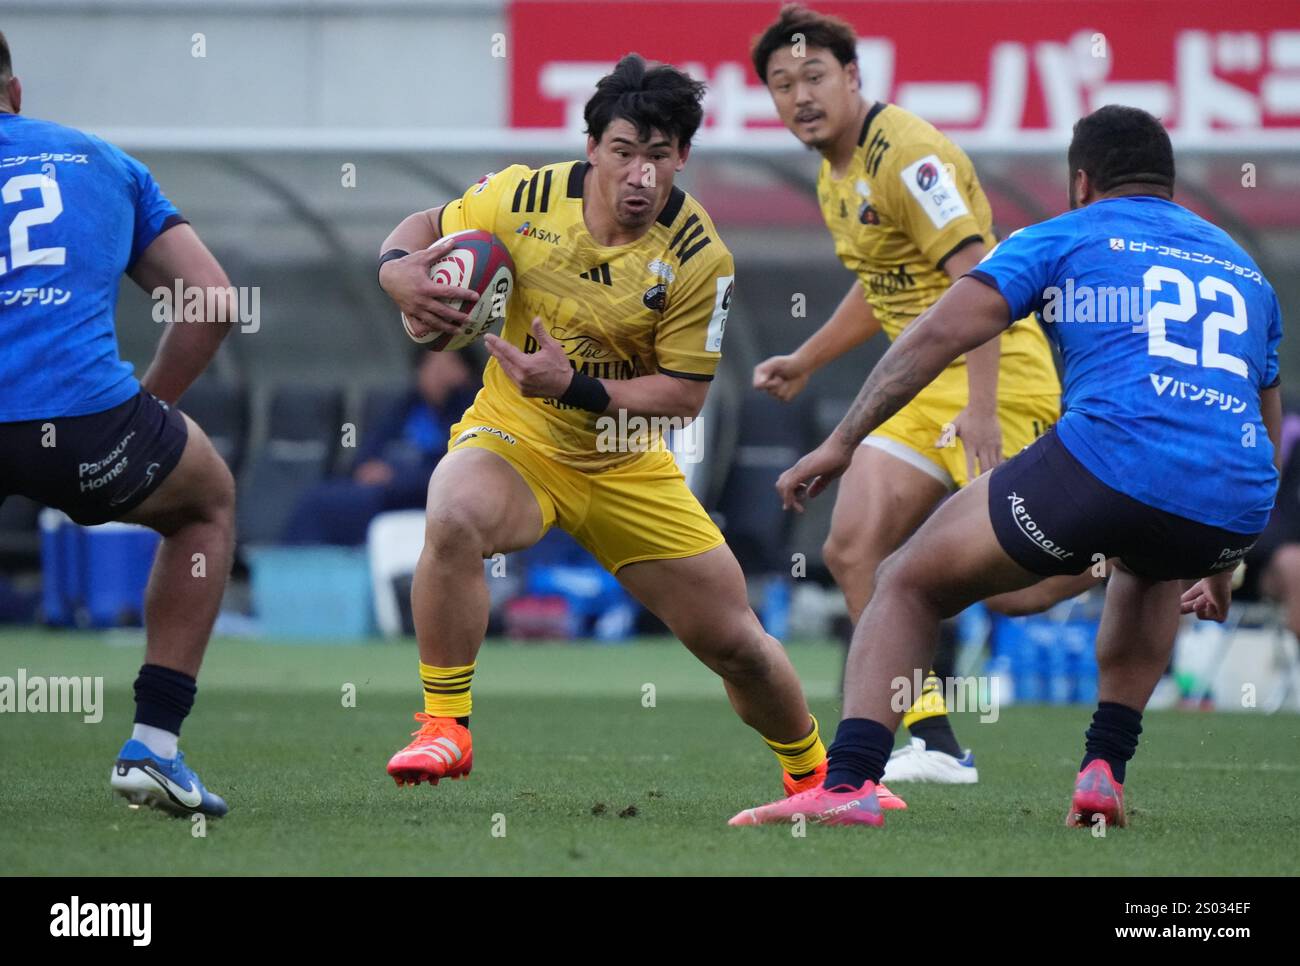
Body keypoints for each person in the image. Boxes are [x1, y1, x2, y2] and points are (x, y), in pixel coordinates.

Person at [730, 104, 1282, 829]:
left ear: (1081, 181)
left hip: (1109, 460)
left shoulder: (1061, 234)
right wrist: (1223, 561)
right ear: (1170, 184)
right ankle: (1102, 772)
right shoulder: (1244, 269)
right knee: (1148, 564)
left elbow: (936, 335)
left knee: (906, 581)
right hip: (1232, 499)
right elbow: (1262, 422)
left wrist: (841, 440)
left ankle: (850, 783)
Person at [376, 53, 841, 801]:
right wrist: (396, 267)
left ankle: (818, 778)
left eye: (659, 157)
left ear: (682, 158)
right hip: (516, 435)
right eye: (624, 152)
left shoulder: (698, 257)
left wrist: (576, 385)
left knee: (738, 645)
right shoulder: (521, 197)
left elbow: (685, 397)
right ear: (592, 147)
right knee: (453, 510)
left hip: (626, 463)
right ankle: (444, 727)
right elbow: (426, 225)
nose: (640, 175)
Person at [749, 5, 1096, 784]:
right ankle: (935, 741)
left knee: (1012, 591)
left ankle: (1122, 552)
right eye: (782, 85)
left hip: (997, 374)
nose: (800, 95)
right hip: (925, 385)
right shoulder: (834, 176)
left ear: (853, 77)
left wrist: (979, 406)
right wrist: (806, 358)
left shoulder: (908, 156)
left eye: (814, 76)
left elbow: (979, 278)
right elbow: (883, 288)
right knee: (851, 546)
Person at [0, 32, 237, 815]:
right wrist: (151, 412)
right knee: (205, 505)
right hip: (91, 428)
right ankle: (154, 751)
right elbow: (211, 302)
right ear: (16, 91)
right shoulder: (96, 158)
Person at [281, 350, 477, 545]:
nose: (436, 374)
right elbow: (369, 449)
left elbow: (457, 473)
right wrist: (364, 469)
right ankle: (298, 565)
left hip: (416, 497)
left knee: (329, 505)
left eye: (446, 366)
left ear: (465, 371)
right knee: (317, 497)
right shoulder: (406, 407)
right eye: (430, 365)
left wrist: (394, 478)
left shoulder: (469, 413)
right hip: (376, 492)